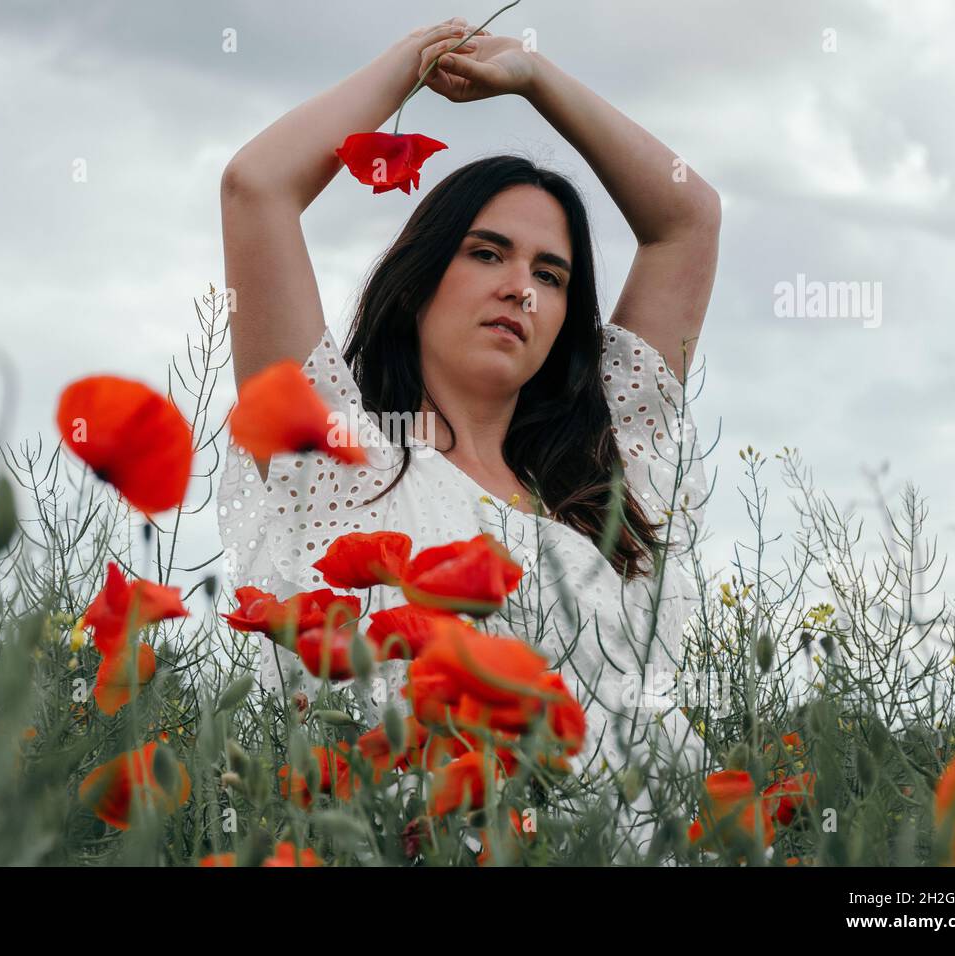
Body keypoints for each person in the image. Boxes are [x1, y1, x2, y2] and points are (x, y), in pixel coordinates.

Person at [217, 17, 720, 856]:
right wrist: (409, 66)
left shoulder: (603, 482)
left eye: (550, 275)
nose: (521, 288)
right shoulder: (342, 465)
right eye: (488, 254)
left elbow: (688, 220)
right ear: (418, 285)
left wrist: (535, 77)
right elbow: (255, 185)